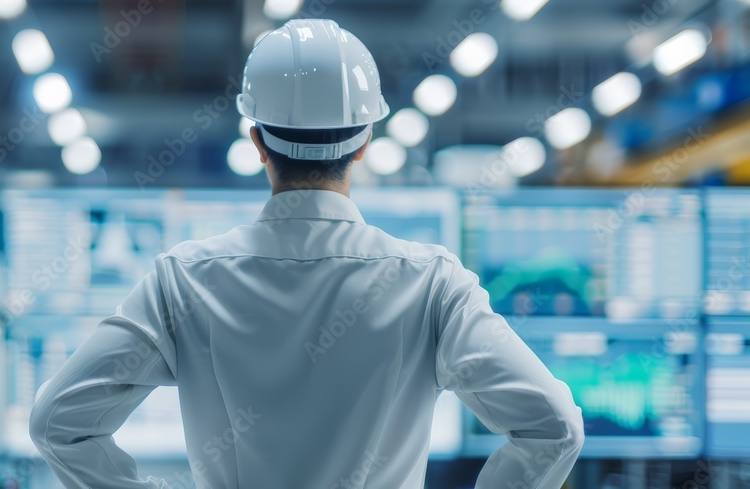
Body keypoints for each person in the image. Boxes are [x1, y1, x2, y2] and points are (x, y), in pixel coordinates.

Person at [30, 18, 583, 489]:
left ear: (256, 141)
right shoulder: (432, 283)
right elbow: (554, 429)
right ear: (365, 142)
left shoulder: (183, 280)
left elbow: (58, 423)